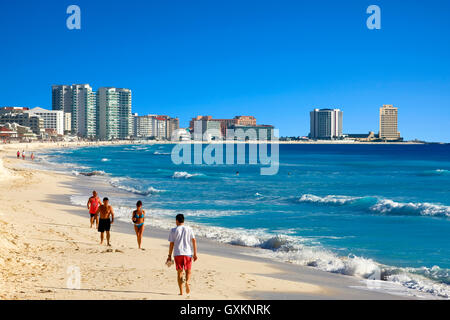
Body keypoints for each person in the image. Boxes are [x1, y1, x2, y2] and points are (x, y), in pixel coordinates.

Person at [166, 214, 198, 296]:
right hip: (188, 253)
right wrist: (195, 254)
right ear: (183, 221)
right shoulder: (189, 229)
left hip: (178, 253)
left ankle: (181, 292)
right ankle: (187, 282)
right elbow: (194, 241)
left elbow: (171, 244)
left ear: (177, 221)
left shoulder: (173, 230)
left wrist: (169, 255)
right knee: (188, 271)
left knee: (179, 273)